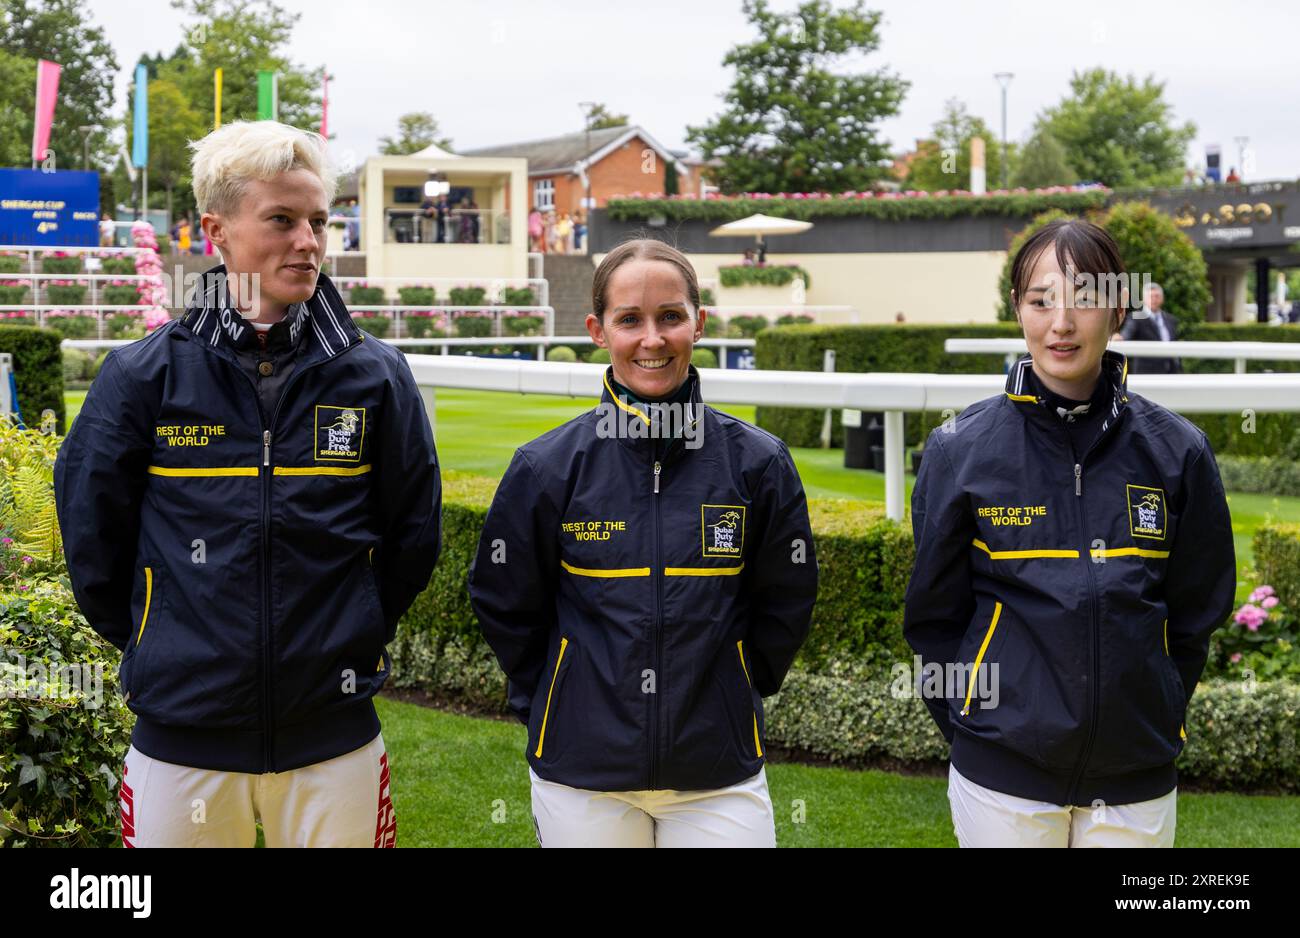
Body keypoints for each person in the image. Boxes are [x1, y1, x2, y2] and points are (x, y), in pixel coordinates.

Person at [54, 119, 442, 848]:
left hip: (337, 738)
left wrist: (348, 632)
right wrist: (161, 640)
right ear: (216, 231)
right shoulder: (141, 377)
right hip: (181, 740)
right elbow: (92, 544)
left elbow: (413, 538)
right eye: (282, 220)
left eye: (320, 221)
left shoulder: (377, 377)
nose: (309, 242)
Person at [468, 238, 818, 848]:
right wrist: (562, 695)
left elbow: (785, 603)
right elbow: (504, 603)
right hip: (582, 771)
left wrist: (733, 690)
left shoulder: (759, 463)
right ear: (598, 330)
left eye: (670, 317)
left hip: (717, 771)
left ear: (699, 323)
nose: (651, 340)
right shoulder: (546, 467)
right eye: (629, 319)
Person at [903, 219, 1235, 848]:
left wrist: (1153, 706)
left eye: (1083, 298)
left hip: (1135, 778)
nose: (1061, 322)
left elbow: (1196, 614)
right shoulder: (959, 450)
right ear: (1017, 311)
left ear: (1117, 310)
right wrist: (981, 729)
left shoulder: (1179, 451)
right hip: (1001, 779)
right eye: (1040, 301)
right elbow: (933, 619)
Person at [1117, 283, 1181, 374]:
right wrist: (1119, 338)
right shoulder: (1136, 318)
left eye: (1157, 296)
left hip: (1171, 372)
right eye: (1151, 296)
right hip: (1146, 373)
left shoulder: (1170, 319)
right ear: (1143, 299)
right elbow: (1126, 335)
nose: (1154, 299)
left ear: (1162, 299)